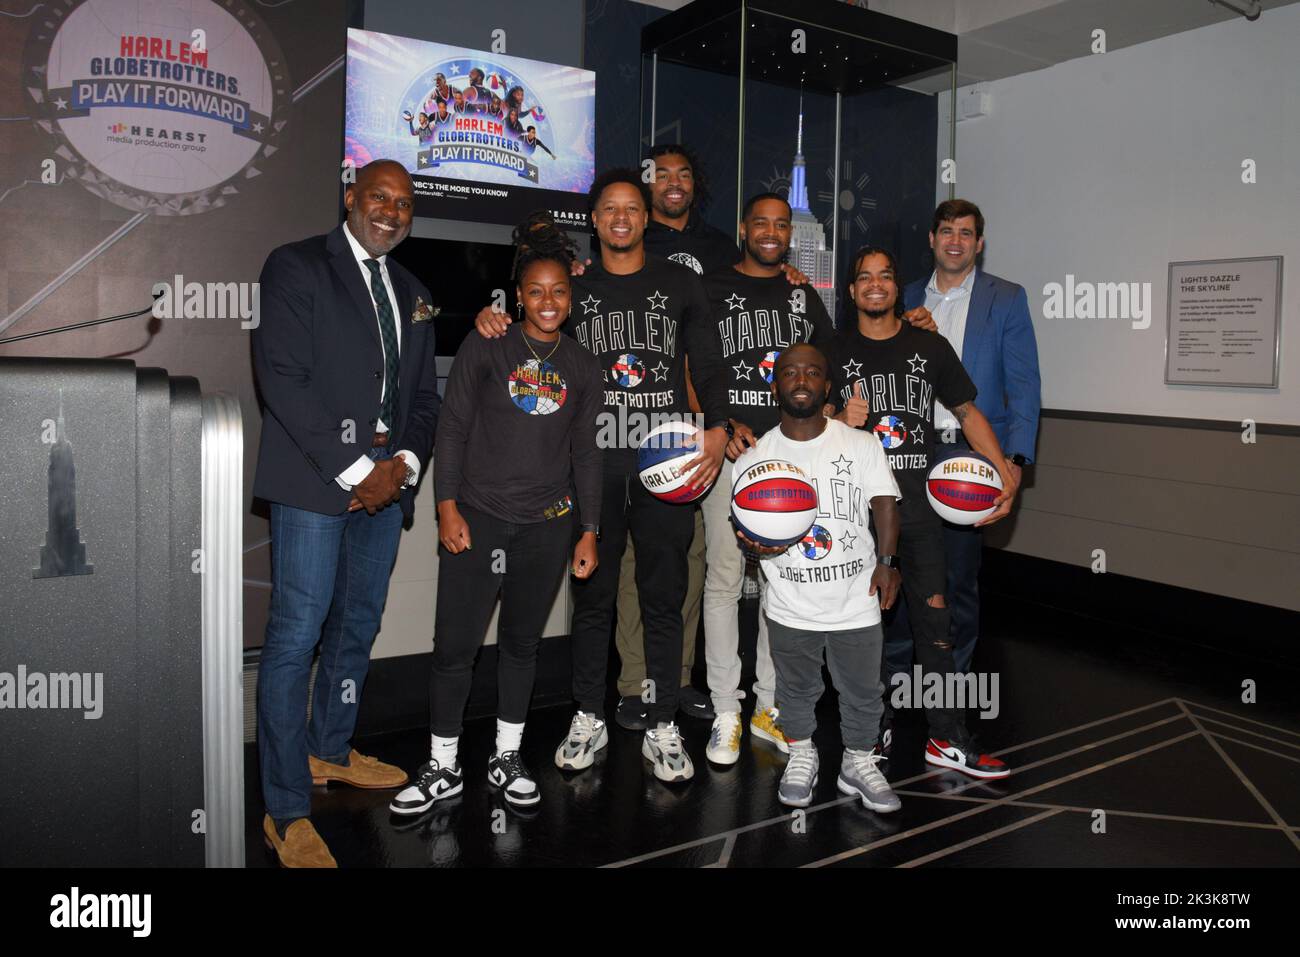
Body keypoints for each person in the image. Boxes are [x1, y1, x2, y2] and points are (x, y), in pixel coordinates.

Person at [475, 170, 730, 783]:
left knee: (664, 596)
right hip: (590, 462)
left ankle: (663, 720)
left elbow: (708, 359)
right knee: (591, 599)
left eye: (631, 209)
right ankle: (588, 713)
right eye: (609, 209)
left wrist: (717, 427)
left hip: (661, 462)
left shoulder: (680, 282)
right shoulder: (575, 289)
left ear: (647, 219)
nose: (620, 217)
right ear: (593, 220)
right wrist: (491, 317)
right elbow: (530, 321)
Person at [251, 160, 441, 866]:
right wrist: (362, 471)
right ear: (351, 196)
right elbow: (284, 379)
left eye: (405, 202)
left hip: (386, 489)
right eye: (380, 197)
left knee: (358, 622)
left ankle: (329, 749)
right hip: (315, 484)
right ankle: (285, 809)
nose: (392, 210)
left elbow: (424, 400)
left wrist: (404, 469)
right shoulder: (296, 266)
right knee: (296, 636)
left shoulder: (416, 293)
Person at [390, 216, 602, 815]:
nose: (548, 301)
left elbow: (585, 450)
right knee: (455, 647)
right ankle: (442, 764)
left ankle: (507, 756)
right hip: (479, 518)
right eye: (535, 290)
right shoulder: (488, 343)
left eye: (559, 290)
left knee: (522, 645)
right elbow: (452, 428)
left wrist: (590, 529)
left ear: (571, 297)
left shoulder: (584, 367)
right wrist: (446, 507)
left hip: (549, 525)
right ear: (516, 297)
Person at [826, 246, 1015, 779]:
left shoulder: (928, 346)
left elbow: (967, 411)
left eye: (886, 275)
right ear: (852, 290)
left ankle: (946, 737)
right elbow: (806, 429)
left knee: (936, 623)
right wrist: (841, 416)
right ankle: (868, 734)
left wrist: (1003, 472)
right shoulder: (833, 349)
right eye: (865, 277)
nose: (876, 285)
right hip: (857, 513)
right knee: (866, 630)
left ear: (896, 287)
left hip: (919, 513)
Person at [734, 344, 903, 811]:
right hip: (791, 601)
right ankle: (803, 754)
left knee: (864, 691)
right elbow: (743, 530)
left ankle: (857, 761)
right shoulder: (755, 457)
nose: (802, 380)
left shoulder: (861, 442)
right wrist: (753, 546)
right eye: (790, 372)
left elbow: (885, 502)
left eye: (812, 372)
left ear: (828, 386)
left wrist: (887, 562)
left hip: (856, 598)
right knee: (796, 690)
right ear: (776, 386)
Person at [698, 193, 835, 766]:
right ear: (743, 228)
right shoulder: (709, 287)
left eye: (783, 225)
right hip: (732, 451)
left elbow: (832, 365)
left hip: (788, 456)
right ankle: (726, 710)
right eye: (762, 222)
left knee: (783, 585)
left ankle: (769, 706)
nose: (773, 232)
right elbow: (692, 365)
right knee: (726, 579)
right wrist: (717, 424)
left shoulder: (803, 294)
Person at [900, 199, 1041, 675]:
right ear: (931, 240)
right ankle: (900, 681)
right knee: (906, 566)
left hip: (973, 454)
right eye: (946, 231)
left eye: (965, 233)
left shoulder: (1007, 298)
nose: (955, 240)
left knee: (959, 577)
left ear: (979, 244)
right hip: (911, 451)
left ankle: (952, 687)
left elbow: (1024, 385)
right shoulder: (905, 297)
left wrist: (1014, 461)